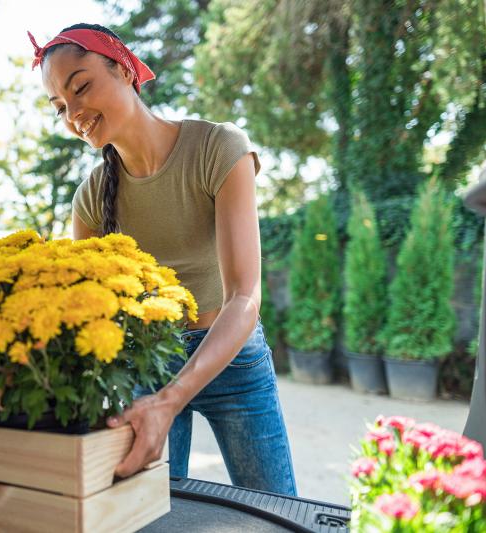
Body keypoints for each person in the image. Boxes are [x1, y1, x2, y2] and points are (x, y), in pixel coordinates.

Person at [29, 23, 297, 496]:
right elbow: (90, 313)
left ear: (126, 70)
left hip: (233, 358)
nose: (74, 114)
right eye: (59, 108)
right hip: (145, 367)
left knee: (276, 512)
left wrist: (172, 399)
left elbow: (244, 296)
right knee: (150, 515)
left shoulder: (219, 148)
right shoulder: (90, 198)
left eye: (82, 87)